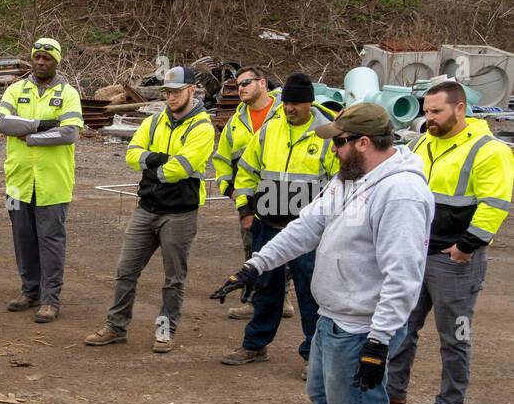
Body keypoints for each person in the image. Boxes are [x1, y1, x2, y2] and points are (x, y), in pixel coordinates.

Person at [210, 104, 433, 404]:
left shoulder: (400, 193)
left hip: (364, 328)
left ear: (362, 143)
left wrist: (378, 342)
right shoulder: (350, 181)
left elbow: (403, 276)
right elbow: (306, 226)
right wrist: (255, 266)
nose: (331, 149)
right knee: (327, 401)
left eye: (337, 142)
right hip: (333, 317)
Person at [386, 81, 514, 404]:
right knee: (402, 326)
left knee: (454, 336)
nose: (429, 119)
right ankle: (394, 392)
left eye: (436, 112)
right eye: (426, 112)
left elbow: (495, 205)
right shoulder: (423, 142)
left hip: (455, 260)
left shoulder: (489, 150)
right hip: (416, 252)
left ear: (460, 109)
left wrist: (466, 246)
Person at [85, 66, 214, 353]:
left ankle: (165, 331)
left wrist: (152, 165)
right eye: (167, 92)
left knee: (173, 278)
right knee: (126, 270)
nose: (170, 97)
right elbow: (132, 156)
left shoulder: (202, 127)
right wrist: (159, 158)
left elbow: (181, 169)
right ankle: (116, 327)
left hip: (180, 213)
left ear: (192, 90)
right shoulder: (154, 122)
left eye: (176, 91)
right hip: (147, 208)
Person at [221, 72, 338, 373]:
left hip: (308, 232)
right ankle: (255, 345)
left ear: (309, 102)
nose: (289, 109)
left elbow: (338, 182)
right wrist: (245, 209)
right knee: (266, 289)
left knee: (310, 294)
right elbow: (247, 171)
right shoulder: (270, 130)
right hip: (268, 225)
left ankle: (314, 355)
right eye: (286, 102)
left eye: (296, 103)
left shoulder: (326, 133)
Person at [0, 37, 83, 322]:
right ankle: (29, 290)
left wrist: (29, 137)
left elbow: (69, 133)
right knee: (24, 239)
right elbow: (1, 123)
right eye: (38, 57)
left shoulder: (68, 94)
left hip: (52, 183)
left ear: (57, 61)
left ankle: (50, 298)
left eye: (47, 58)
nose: (41, 62)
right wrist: (42, 125)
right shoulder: (16, 90)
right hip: (18, 182)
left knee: (51, 241)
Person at [212, 66, 280, 319]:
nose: (241, 87)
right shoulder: (235, 123)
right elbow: (221, 157)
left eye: (246, 82)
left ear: (262, 83)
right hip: (250, 195)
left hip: (281, 191)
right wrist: (227, 187)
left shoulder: (283, 114)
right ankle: (252, 302)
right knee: (253, 248)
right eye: (238, 84)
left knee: (287, 248)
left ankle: (281, 299)